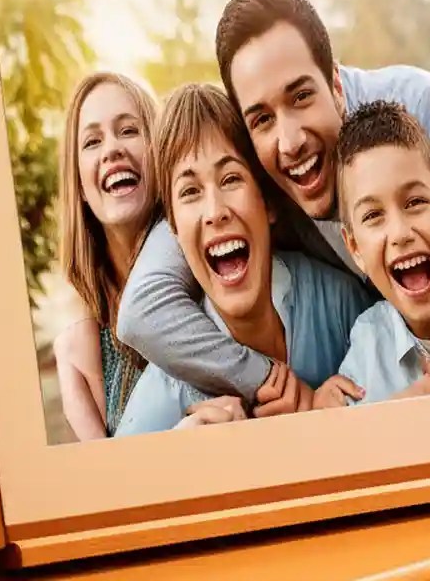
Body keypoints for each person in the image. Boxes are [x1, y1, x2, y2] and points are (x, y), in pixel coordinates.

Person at [117, 0, 430, 411]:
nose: (289, 142)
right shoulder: (257, 173)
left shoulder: (421, 117)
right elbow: (143, 309)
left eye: (302, 96)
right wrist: (270, 381)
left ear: (337, 84)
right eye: (262, 118)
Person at [115, 83, 372, 436]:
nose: (214, 212)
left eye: (231, 178)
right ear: (173, 229)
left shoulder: (344, 307)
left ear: (267, 201)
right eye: (190, 192)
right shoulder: (167, 389)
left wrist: (339, 415)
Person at [313, 101, 430, 409]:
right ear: (355, 250)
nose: (401, 233)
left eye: (414, 202)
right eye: (373, 215)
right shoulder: (366, 348)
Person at [52, 72, 160, 441]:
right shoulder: (77, 347)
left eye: (129, 130)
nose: (112, 149)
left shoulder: (211, 278)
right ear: (80, 186)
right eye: (92, 141)